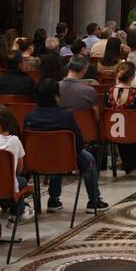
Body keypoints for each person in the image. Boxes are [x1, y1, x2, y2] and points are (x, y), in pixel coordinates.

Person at [26, 78, 107, 212]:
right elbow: (79, 144)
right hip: (63, 159)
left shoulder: (30, 117)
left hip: (36, 160)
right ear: (56, 97)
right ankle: (94, 201)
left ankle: (53, 200)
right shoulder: (66, 116)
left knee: (54, 156)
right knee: (89, 160)